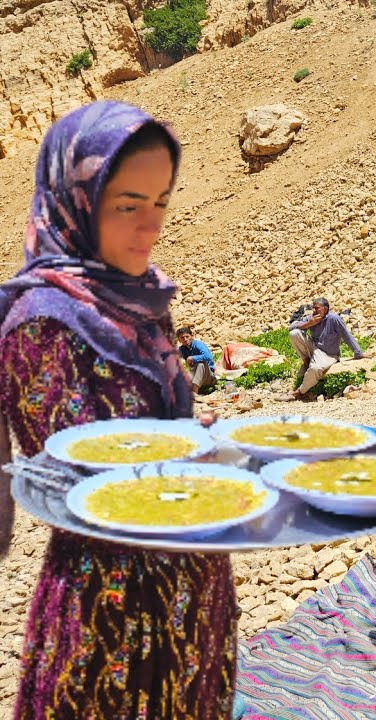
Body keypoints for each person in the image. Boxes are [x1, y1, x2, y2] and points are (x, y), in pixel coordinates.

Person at [0, 101, 236, 718]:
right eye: (128, 205)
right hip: (111, 612)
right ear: (74, 199)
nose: (151, 227)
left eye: (160, 203)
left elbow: (153, 431)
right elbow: (85, 478)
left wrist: (195, 435)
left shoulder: (138, 305)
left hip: (190, 587)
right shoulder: (44, 324)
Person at [288, 296, 363, 399]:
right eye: (313, 308)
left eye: (317, 308)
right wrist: (309, 324)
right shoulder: (312, 318)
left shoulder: (334, 319)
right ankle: (306, 361)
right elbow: (291, 327)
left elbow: (346, 336)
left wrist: (358, 353)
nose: (314, 310)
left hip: (328, 355)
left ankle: (299, 392)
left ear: (325, 309)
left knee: (315, 369)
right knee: (294, 333)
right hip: (314, 348)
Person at [177, 325, 217, 391]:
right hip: (194, 376)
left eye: (187, 337)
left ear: (192, 336)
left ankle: (195, 391)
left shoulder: (198, 344)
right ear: (179, 339)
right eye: (182, 338)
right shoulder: (182, 349)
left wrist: (192, 358)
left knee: (201, 364)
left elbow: (208, 357)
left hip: (208, 378)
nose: (185, 339)